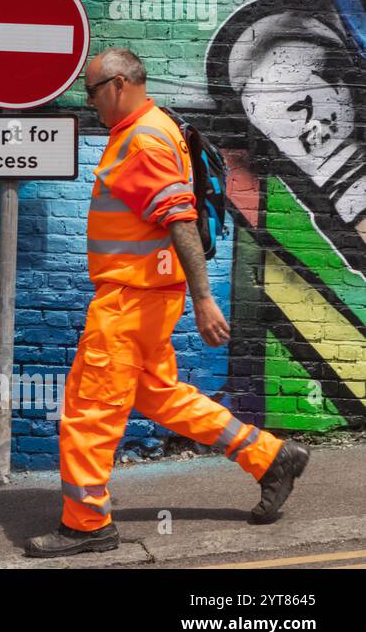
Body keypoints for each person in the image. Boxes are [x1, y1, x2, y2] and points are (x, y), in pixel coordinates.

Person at [26, 47, 310, 558]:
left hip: (130, 301)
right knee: (159, 396)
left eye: (91, 92)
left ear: (116, 84)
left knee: (88, 411)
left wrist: (205, 298)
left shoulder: (144, 140)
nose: (89, 104)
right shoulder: (150, 129)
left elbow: (179, 219)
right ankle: (270, 457)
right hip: (146, 298)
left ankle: (88, 525)